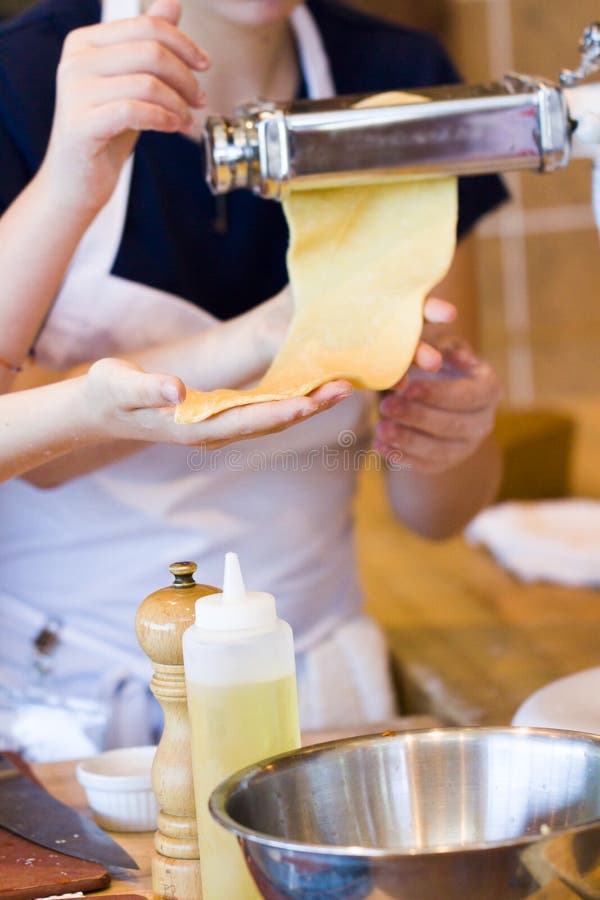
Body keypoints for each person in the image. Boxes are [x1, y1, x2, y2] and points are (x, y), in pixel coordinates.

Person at [0, 0, 506, 748]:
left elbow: (435, 513)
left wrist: (451, 432)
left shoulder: (399, 82)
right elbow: (26, 450)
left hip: (318, 696)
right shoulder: (27, 81)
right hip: (61, 709)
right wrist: (263, 337)